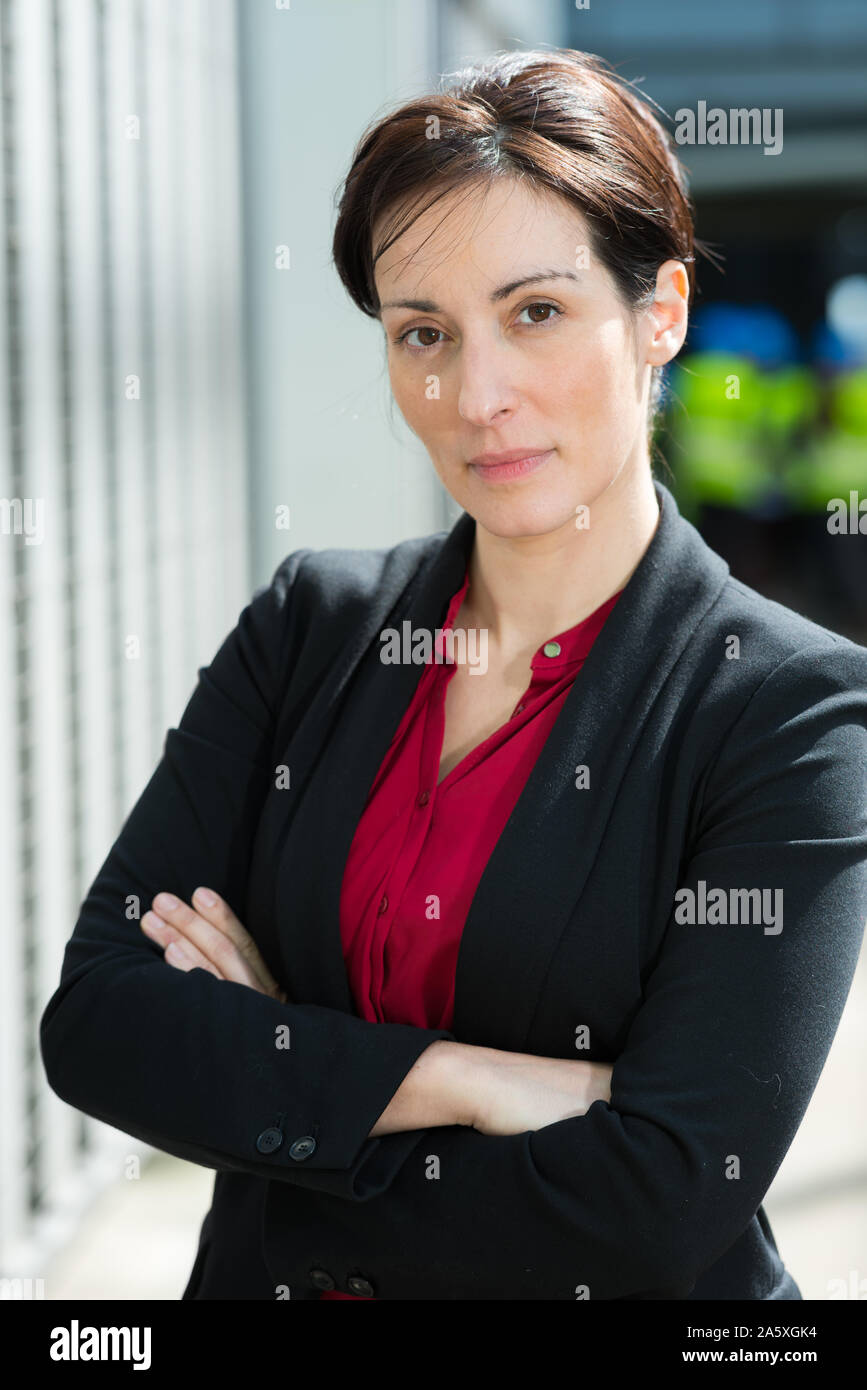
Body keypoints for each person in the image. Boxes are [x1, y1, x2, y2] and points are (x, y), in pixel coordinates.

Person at [40, 48, 867, 1301]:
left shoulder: (791, 713)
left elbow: (663, 1195)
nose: (475, 394)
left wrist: (292, 1083)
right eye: (423, 331)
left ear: (662, 315)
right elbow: (102, 1023)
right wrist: (470, 1080)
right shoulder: (311, 627)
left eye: (535, 312)